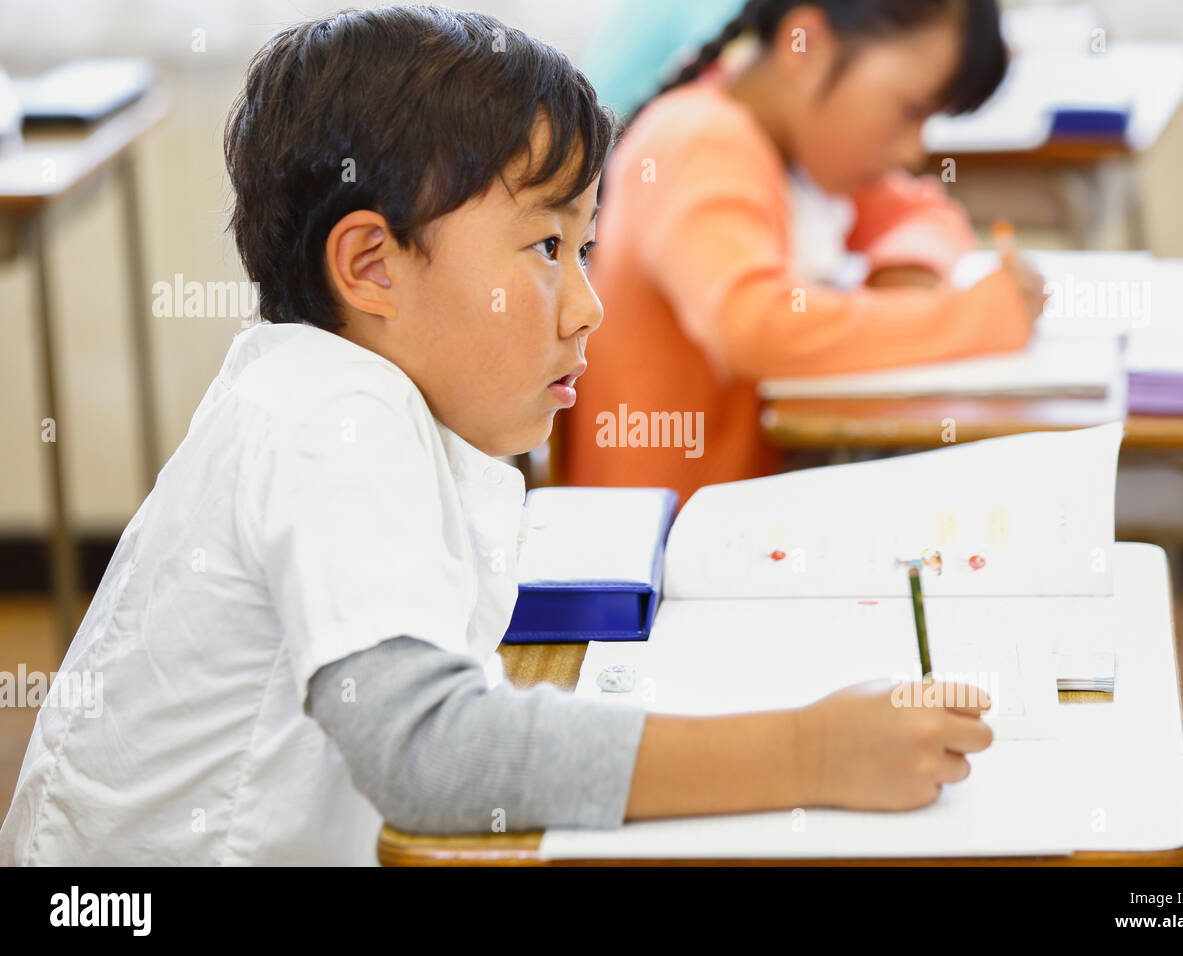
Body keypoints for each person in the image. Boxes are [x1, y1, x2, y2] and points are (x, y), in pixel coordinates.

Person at [0, 4, 992, 866]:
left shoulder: (363, 394)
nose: (589, 308)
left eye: (585, 247)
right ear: (372, 267)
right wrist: (809, 753)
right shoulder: (329, 423)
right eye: (546, 247)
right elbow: (430, 752)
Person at [563, 0, 1047, 504]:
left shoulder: (795, 146)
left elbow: (923, 214)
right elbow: (752, 324)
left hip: (739, 520)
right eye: (909, 111)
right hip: (666, 551)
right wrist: (977, 318)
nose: (912, 151)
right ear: (807, 45)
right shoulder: (703, 141)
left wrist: (906, 270)